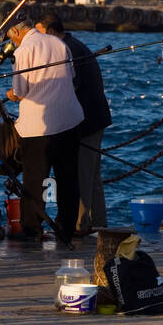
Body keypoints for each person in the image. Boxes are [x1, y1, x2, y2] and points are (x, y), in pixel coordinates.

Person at [6, 18, 83, 242]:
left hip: (39, 126)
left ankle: (32, 229)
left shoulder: (23, 52)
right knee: (68, 178)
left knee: (35, 179)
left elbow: (20, 91)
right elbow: (72, 77)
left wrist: (11, 95)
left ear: (16, 33)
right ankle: (66, 227)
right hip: (70, 119)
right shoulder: (59, 43)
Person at [36, 12, 111, 235]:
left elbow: (71, 86)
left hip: (86, 121)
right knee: (93, 176)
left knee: (81, 175)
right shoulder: (74, 45)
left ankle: (80, 225)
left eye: (40, 35)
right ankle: (99, 222)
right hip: (97, 117)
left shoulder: (66, 50)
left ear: (50, 32)